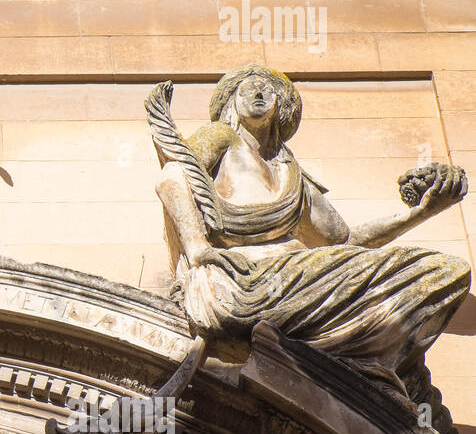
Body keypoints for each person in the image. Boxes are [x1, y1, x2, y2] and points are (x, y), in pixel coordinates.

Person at [148, 64, 470, 403]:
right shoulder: (219, 137)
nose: (258, 93)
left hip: (301, 275)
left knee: (443, 273)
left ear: (280, 106)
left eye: (267, 90)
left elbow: (343, 241)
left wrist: (420, 213)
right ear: (230, 102)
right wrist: (197, 246)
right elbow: (172, 177)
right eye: (247, 88)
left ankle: (351, 366)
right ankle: (348, 367)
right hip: (245, 282)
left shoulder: (290, 172)